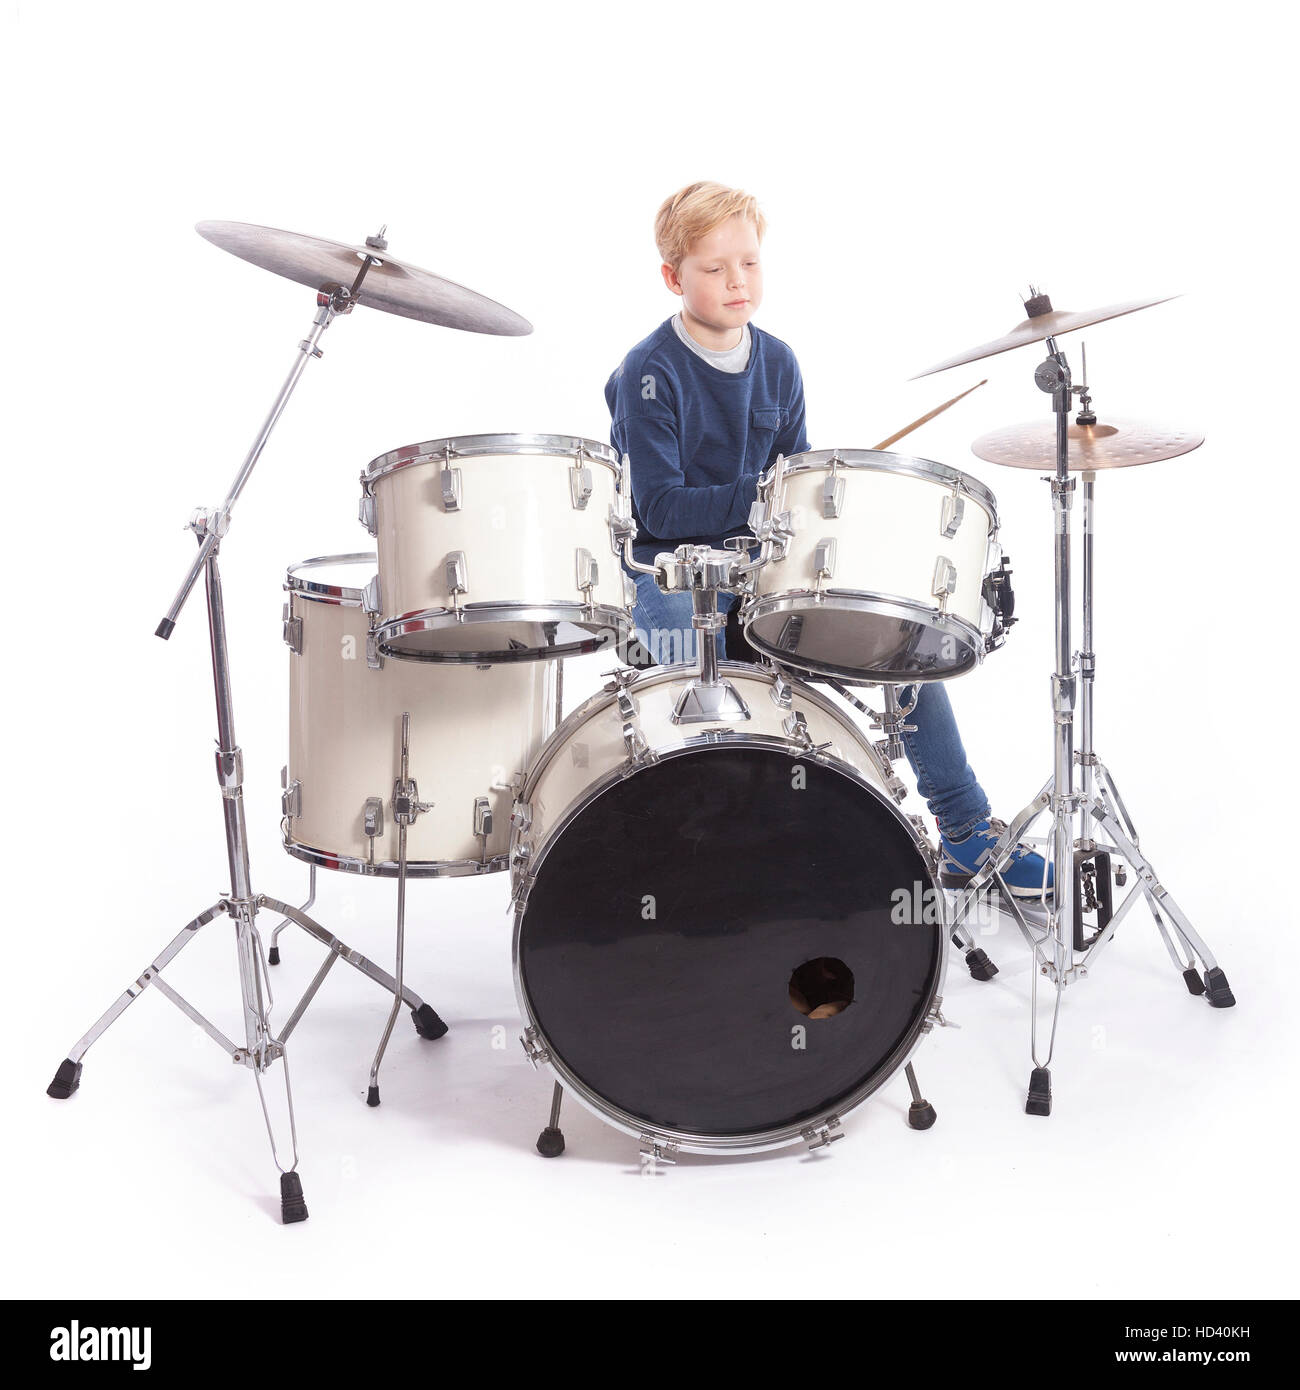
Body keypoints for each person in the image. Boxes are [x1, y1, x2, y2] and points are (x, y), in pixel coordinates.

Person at [604, 180, 1052, 899]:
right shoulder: (647, 373)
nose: (736, 281)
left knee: (901, 648)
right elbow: (657, 507)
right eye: (714, 269)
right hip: (672, 577)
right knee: (713, 690)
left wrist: (811, 502)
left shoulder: (778, 362)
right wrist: (766, 498)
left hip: (763, 567)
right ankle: (729, 867)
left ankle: (966, 835)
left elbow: (794, 480)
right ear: (673, 277)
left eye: (748, 263)